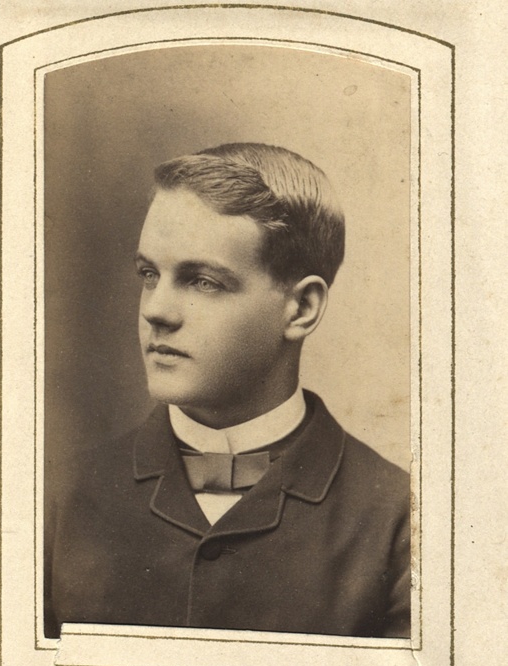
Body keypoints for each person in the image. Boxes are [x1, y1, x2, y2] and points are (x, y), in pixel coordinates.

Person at [44, 142, 411, 640]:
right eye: (149, 275)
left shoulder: (399, 520)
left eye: (203, 282)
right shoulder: (58, 498)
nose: (157, 311)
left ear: (301, 308)